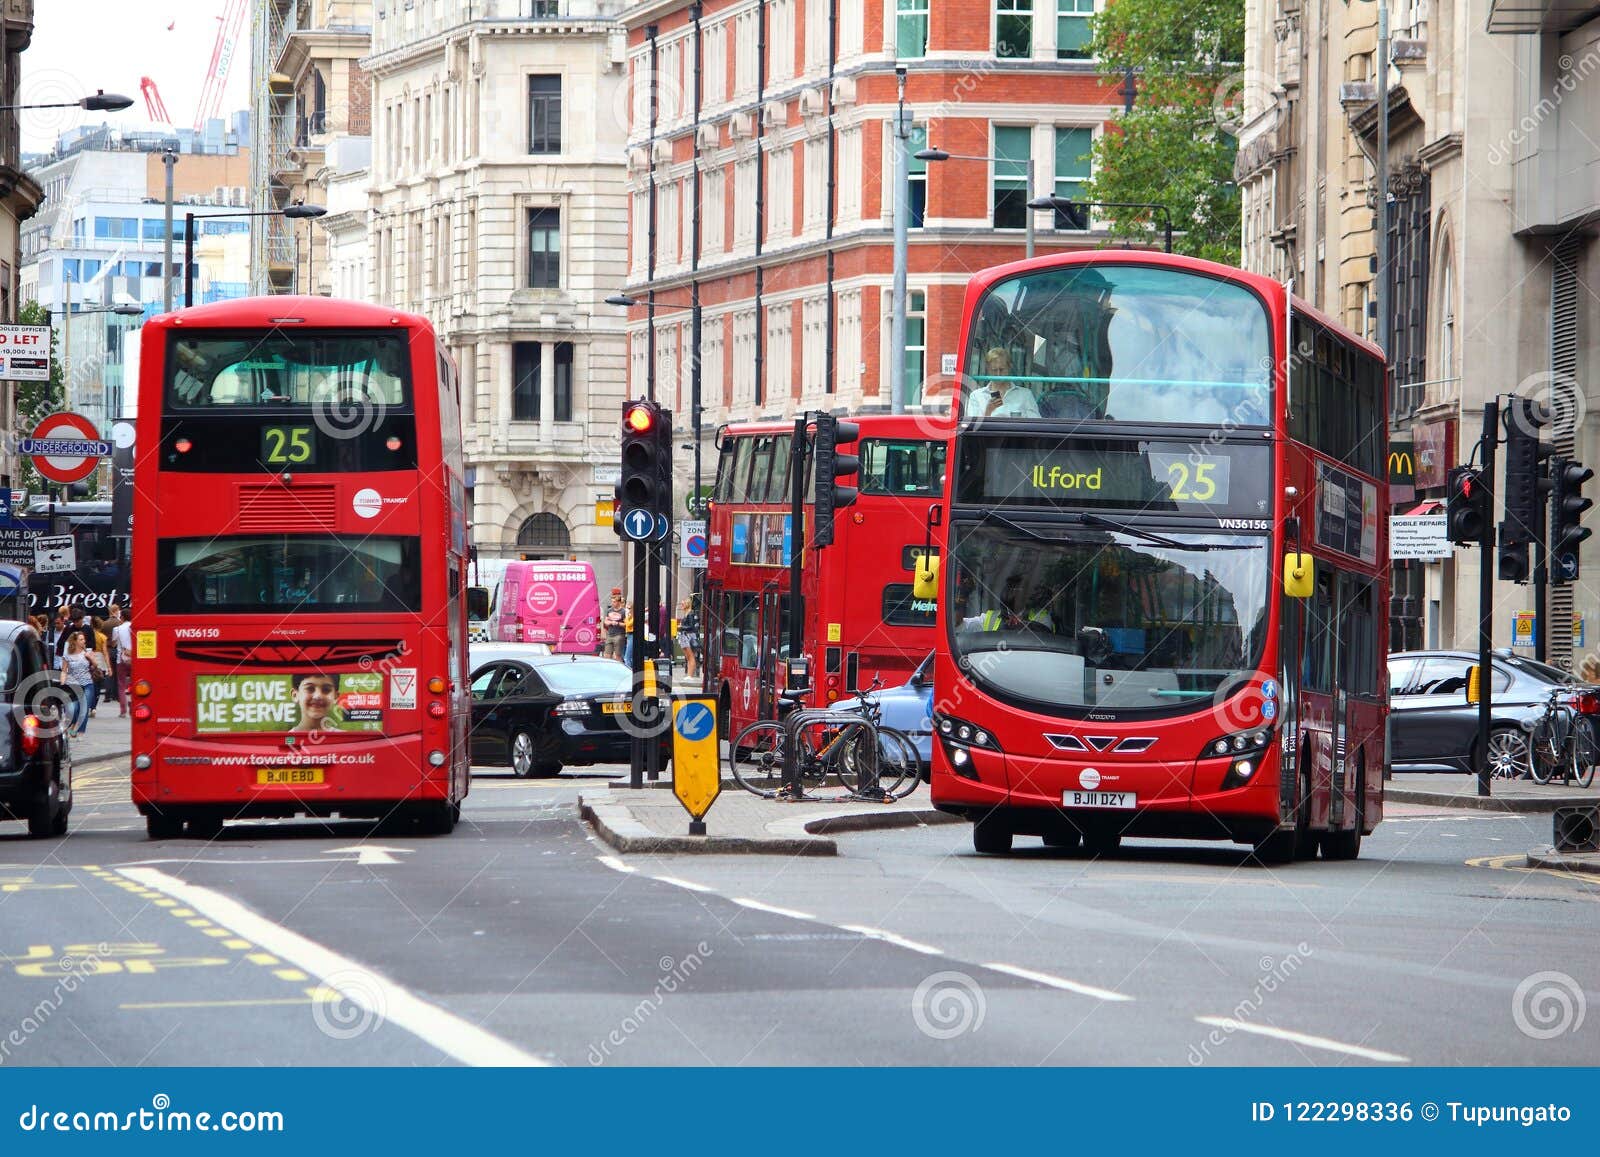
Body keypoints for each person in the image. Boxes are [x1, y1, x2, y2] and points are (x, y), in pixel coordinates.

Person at [969, 347, 1040, 418]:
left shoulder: (1025, 395)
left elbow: (1036, 425)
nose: (998, 374)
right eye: (994, 370)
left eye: (1002, 369)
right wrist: (988, 411)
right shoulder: (977, 396)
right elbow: (973, 427)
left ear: (1009, 367)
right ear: (988, 369)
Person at [59, 630, 97, 736]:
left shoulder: (87, 653)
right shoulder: (67, 656)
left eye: (84, 639)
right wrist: (62, 682)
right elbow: (64, 670)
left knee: (84, 708)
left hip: (87, 684)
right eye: (81, 639)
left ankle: (77, 730)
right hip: (73, 685)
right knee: (73, 708)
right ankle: (71, 725)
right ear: (75, 641)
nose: (83, 641)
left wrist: (91, 659)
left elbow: (95, 666)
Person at [112, 611, 135, 717]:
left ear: (122, 617)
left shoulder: (117, 629)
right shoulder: (134, 627)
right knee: (134, 684)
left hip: (121, 658)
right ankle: (133, 707)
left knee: (121, 685)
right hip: (134, 658)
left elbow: (113, 643)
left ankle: (123, 710)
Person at [676, 596, 701, 678]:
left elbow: (691, 626)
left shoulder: (690, 614)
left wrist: (681, 627)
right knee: (688, 657)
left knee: (690, 656)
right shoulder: (688, 613)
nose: (681, 605)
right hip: (685, 636)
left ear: (687, 604)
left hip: (688, 636)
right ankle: (689, 674)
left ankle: (690, 675)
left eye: (683, 603)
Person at [602, 588, 626, 660]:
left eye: (614, 602)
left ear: (618, 602)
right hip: (610, 634)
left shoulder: (623, 611)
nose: (612, 603)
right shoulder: (609, 610)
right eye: (612, 602)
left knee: (617, 656)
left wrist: (617, 623)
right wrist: (610, 622)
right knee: (607, 655)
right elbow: (605, 621)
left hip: (619, 635)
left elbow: (626, 624)